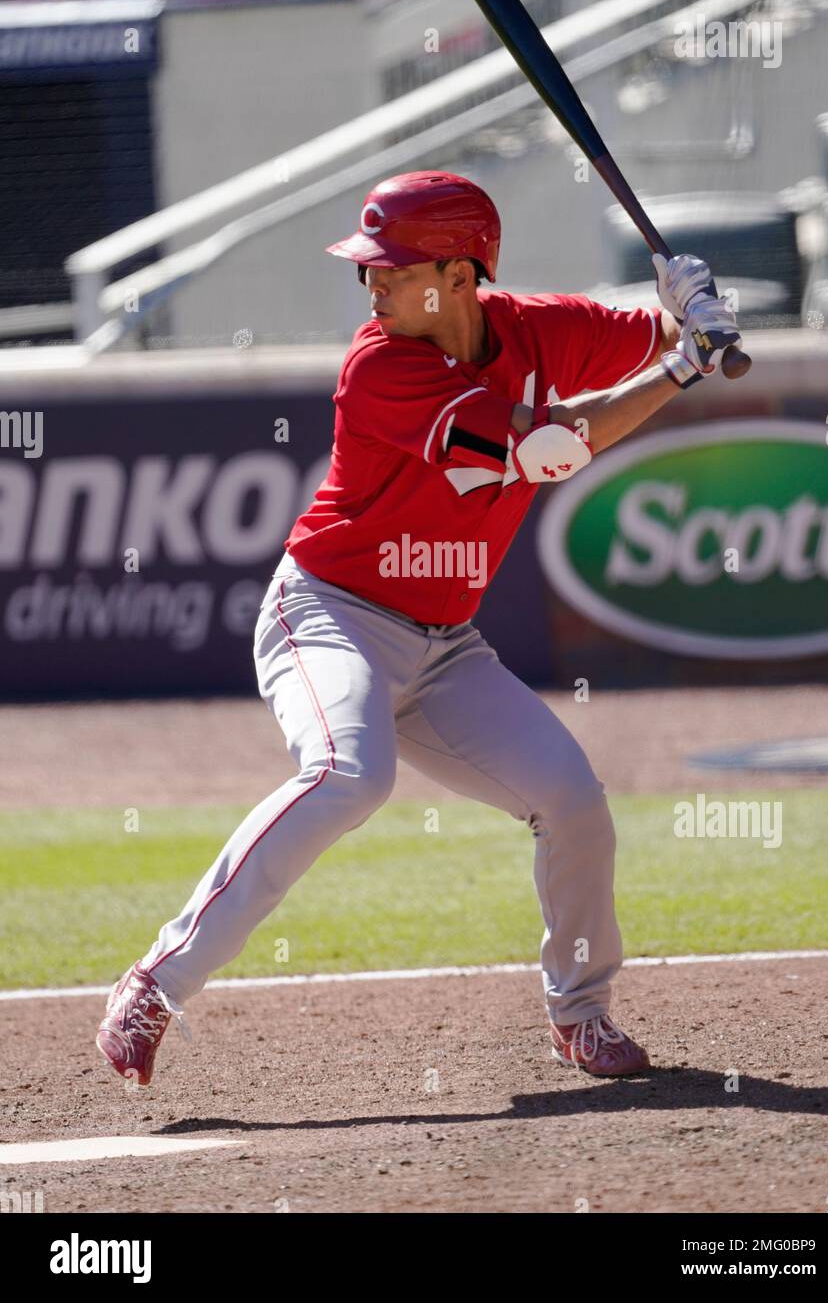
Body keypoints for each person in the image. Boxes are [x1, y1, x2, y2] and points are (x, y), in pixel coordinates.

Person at [96, 170, 741, 1085]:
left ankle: (582, 1012)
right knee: (349, 776)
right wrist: (684, 366)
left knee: (573, 802)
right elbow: (547, 447)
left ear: (462, 270)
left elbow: (668, 332)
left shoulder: (535, 328)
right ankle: (156, 984)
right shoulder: (378, 365)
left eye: (395, 268)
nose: (374, 284)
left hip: (445, 648)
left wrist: (696, 306)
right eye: (372, 268)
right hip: (330, 614)